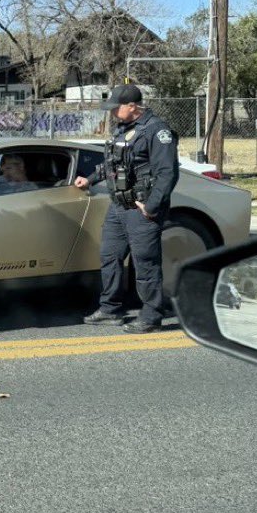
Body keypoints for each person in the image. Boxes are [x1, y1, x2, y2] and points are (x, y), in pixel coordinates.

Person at [74, 82, 179, 333]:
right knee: (110, 256)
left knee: (145, 262)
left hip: (142, 208)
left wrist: (152, 207)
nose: (111, 112)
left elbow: (168, 174)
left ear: (132, 106)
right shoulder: (124, 130)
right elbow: (112, 165)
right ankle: (110, 309)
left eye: (115, 107)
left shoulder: (157, 131)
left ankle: (151, 316)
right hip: (119, 207)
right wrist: (89, 178)